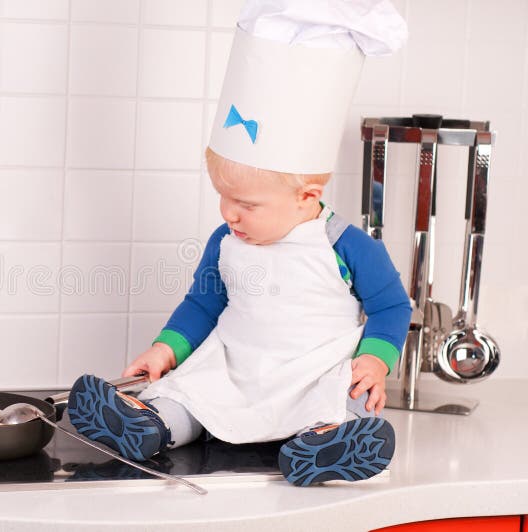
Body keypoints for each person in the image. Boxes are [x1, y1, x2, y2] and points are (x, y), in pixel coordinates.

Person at [67, 0, 410, 487]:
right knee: (191, 394)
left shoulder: (347, 246)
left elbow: (392, 306)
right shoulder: (226, 242)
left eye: (245, 204)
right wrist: (165, 350)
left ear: (305, 196)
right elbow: (202, 305)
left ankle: (326, 444)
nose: (229, 214)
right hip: (235, 365)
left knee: (341, 398)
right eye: (222, 197)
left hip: (314, 371)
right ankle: (149, 426)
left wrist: (375, 360)